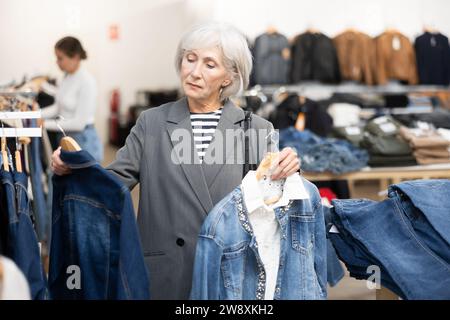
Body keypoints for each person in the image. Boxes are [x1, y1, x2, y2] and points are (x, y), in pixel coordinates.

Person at [50, 22, 300, 299]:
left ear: (229, 77)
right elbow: (112, 182)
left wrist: (289, 171)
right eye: (189, 59)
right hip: (166, 270)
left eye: (209, 65)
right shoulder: (152, 122)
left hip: (229, 272)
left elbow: (275, 205)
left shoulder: (256, 130)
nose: (194, 72)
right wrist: (72, 168)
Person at [42, 36, 103, 162]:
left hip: (82, 142)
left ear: (75, 57)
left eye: (60, 58)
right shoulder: (67, 77)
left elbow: (78, 124)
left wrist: (43, 124)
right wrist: (35, 115)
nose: (57, 62)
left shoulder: (87, 82)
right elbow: (58, 108)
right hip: (65, 137)